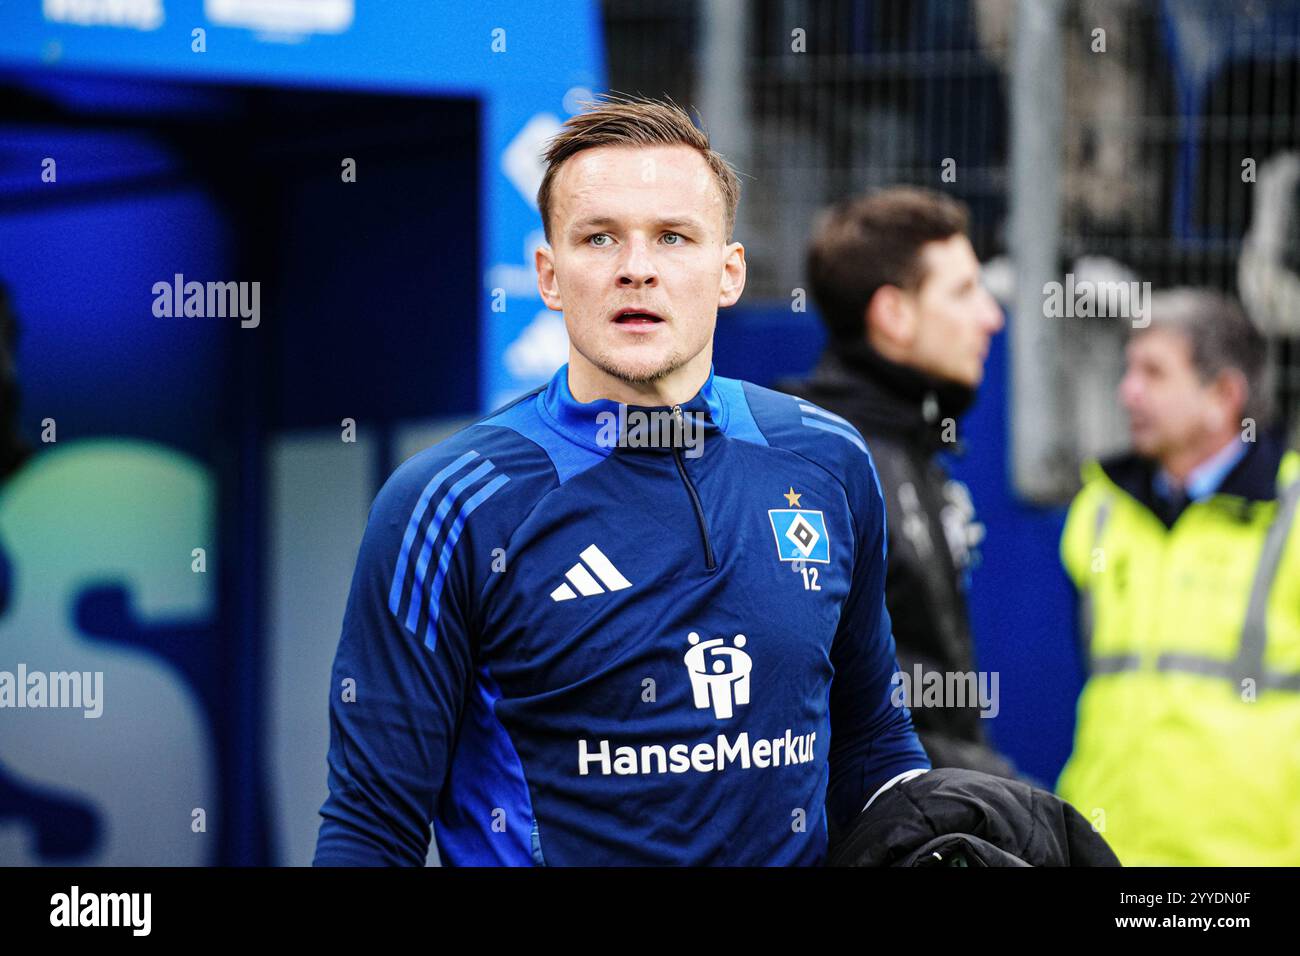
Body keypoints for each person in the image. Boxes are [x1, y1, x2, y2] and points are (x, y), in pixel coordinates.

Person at [312, 95, 932, 866]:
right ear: (548, 273)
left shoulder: (827, 459)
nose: (636, 268)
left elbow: (871, 734)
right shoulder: (449, 503)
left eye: (673, 237)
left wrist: (929, 831)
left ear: (729, 272)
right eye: (599, 238)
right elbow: (373, 825)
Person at [775, 188, 1018, 779]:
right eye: (963, 292)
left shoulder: (906, 440)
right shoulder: (815, 460)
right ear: (894, 315)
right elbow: (822, 690)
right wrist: (981, 788)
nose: (992, 316)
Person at [1056, 288, 1300, 865]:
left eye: (1154, 373)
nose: (1128, 392)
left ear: (1223, 396)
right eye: (1128, 370)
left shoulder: (1290, 511)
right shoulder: (1098, 510)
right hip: (1106, 853)